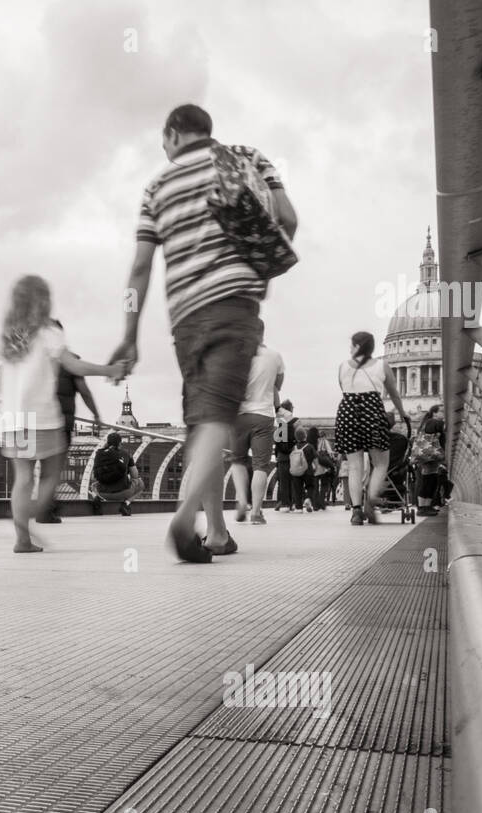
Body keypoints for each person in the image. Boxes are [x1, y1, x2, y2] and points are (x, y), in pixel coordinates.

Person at [110, 104, 297, 563]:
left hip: (185, 318)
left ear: (173, 134)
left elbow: (139, 267)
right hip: (234, 305)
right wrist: (259, 278)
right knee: (217, 418)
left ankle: (215, 532)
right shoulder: (247, 158)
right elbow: (287, 220)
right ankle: (185, 514)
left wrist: (129, 334)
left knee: (203, 421)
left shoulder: (157, 185)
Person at [0, 276, 125, 553]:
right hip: (42, 417)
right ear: (42, 301)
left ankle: (22, 538)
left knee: (22, 478)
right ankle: (30, 513)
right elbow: (74, 367)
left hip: (13, 419)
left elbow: (1, 377)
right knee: (52, 473)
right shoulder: (49, 331)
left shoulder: (8, 335)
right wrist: (109, 370)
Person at [334, 331, 409, 525]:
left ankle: (356, 512)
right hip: (372, 412)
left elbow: (344, 388)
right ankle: (371, 500)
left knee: (354, 466)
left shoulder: (342, 366)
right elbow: (393, 393)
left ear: (358, 347)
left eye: (352, 345)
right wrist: (402, 413)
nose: (350, 349)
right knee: (381, 463)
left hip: (348, 411)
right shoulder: (381, 365)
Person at [37, 319, 102, 523]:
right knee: (52, 468)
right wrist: (96, 414)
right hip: (60, 422)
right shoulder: (70, 360)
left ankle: (34, 511)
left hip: (34, 420)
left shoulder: (33, 361)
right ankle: (46, 509)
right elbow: (84, 391)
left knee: (33, 467)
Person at [224, 339, 283, 525]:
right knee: (260, 466)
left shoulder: (234, 355)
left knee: (238, 461)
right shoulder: (275, 356)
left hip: (238, 416)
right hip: (263, 416)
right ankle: (256, 512)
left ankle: (242, 502)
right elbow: (277, 386)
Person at [90, 432, 145, 515]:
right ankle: (126, 504)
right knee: (140, 483)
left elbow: (96, 474)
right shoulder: (126, 454)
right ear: (120, 443)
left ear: (107, 442)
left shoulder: (99, 454)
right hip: (123, 492)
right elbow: (135, 475)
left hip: (102, 493)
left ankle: (96, 498)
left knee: (93, 485)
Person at [413, 403, 447, 516]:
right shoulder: (433, 422)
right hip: (429, 456)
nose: (444, 413)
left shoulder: (428, 422)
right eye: (442, 411)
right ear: (434, 413)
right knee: (428, 480)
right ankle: (423, 507)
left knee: (430, 479)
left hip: (429, 456)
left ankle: (426, 506)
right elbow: (440, 430)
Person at [273, 400, 299, 512]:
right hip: (293, 455)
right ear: (290, 409)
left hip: (282, 456)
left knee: (283, 481)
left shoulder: (279, 422)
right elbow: (299, 437)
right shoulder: (295, 421)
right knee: (294, 480)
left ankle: (285, 504)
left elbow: (277, 441)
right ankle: (294, 503)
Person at [289, 426, 317, 513]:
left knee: (297, 489)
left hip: (296, 471)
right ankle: (308, 499)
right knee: (310, 486)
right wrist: (315, 468)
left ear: (296, 437)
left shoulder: (293, 447)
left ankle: (298, 507)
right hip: (308, 470)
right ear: (305, 436)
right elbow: (316, 459)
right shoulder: (310, 446)